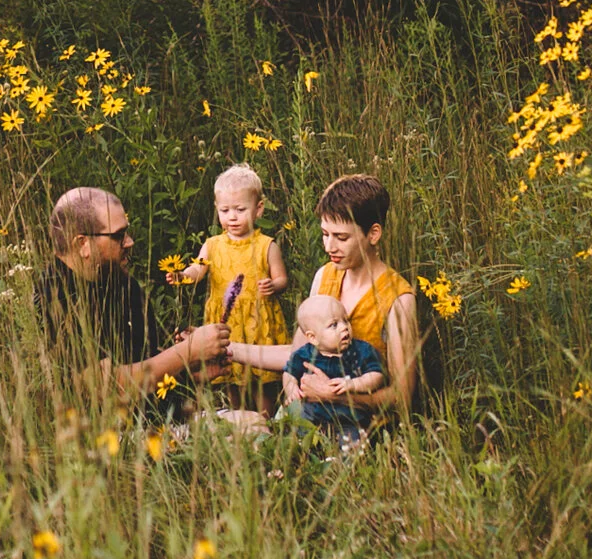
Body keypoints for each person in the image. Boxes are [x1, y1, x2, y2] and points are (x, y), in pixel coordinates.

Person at [223, 173, 419, 422]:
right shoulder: (325, 276)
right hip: (306, 418)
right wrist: (226, 348)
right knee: (241, 423)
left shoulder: (398, 299)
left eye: (341, 237)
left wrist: (335, 396)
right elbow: (297, 353)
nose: (329, 247)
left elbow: (402, 397)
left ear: (373, 233)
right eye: (325, 234)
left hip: (358, 427)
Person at [35, 186, 228, 414]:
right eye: (118, 236)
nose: (129, 242)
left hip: (161, 417)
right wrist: (187, 352)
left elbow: (145, 360)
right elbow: (104, 387)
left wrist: (189, 371)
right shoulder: (54, 297)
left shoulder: (121, 282)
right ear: (82, 244)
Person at [170, 163, 289, 404]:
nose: (232, 217)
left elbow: (282, 279)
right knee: (230, 375)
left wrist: (274, 286)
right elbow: (198, 269)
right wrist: (183, 275)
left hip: (258, 321)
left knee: (262, 381)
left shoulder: (267, 246)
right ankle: (237, 418)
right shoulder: (212, 245)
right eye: (225, 210)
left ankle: (266, 419)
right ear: (217, 209)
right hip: (226, 321)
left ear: (258, 209)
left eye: (240, 209)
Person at [275, 293, 387, 447]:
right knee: (298, 433)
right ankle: (301, 452)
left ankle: (347, 459)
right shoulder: (305, 355)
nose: (344, 327)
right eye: (334, 325)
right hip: (311, 417)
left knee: (352, 444)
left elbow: (377, 375)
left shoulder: (361, 351)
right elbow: (289, 373)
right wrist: (292, 390)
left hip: (348, 420)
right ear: (313, 337)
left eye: (345, 321)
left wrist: (354, 384)